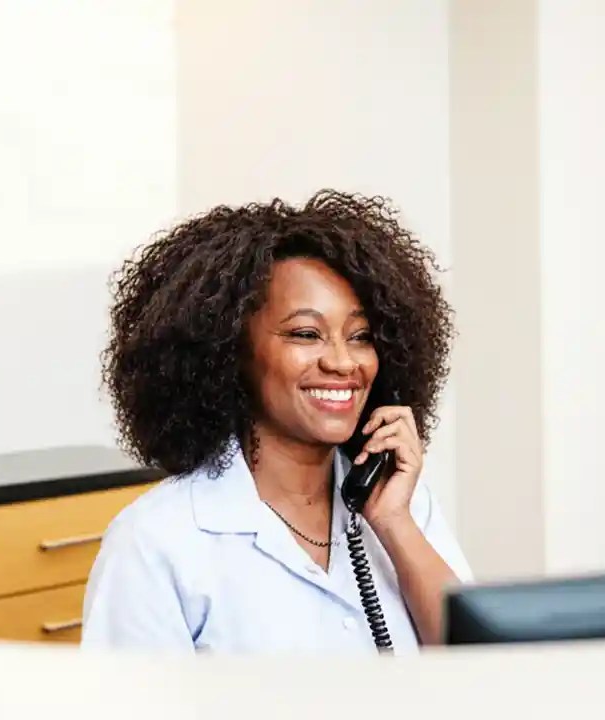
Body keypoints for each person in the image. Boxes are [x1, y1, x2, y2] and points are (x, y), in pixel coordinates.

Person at [82, 191, 470, 655]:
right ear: (229, 352)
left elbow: (487, 673)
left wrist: (393, 524)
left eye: (361, 337)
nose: (343, 362)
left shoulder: (401, 506)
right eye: (306, 334)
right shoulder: (155, 541)